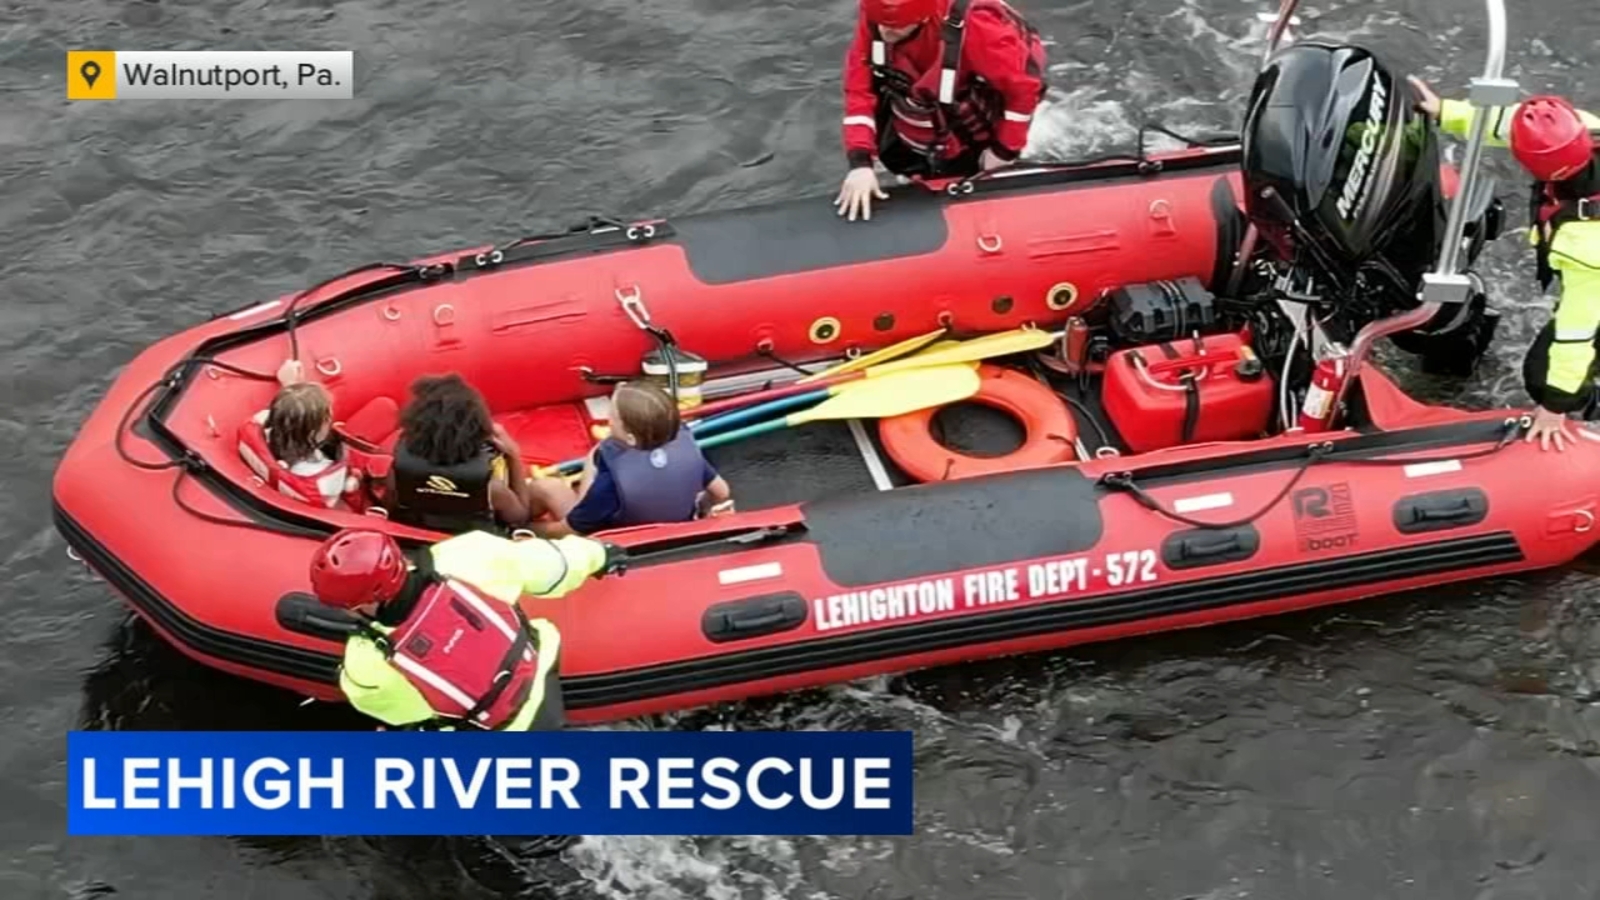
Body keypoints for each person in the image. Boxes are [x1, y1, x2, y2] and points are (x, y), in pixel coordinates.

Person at [1410, 78, 1600, 452]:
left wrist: (1554, 406)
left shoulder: (1587, 247)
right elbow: (1511, 123)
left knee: (1542, 375)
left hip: (1591, 288)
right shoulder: (1585, 131)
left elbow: (1578, 331)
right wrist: (1448, 112)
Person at [306, 526, 627, 730]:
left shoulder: (367, 663)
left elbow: (404, 713)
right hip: (540, 675)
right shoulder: (468, 556)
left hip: (498, 729)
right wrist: (599, 556)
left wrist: (344, 676)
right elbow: (551, 566)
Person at [835, 0, 1047, 222]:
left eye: (897, 27)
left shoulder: (977, 28)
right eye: (879, 24)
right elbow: (858, 90)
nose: (885, 33)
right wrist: (860, 163)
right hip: (917, 119)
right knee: (898, 156)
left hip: (969, 130)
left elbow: (1023, 90)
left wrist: (1003, 151)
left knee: (971, 172)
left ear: (924, 18)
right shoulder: (876, 15)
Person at [379, 373, 576, 532]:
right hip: (481, 540)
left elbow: (392, 508)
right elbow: (519, 519)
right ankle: (582, 536)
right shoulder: (493, 489)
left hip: (426, 535)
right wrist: (513, 455)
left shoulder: (397, 473)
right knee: (551, 488)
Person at [560, 382, 734, 536]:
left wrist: (536, 529)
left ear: (630, 438)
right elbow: (722, 492)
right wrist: (704, 511)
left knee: (547, 489)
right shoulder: (684, 447)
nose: (609, 421)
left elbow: (572, 530)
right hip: (679, 528)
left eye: (611, 416)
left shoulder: (610, 483)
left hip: (627, 538)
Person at [237, 359, 368, 510]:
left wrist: (292, 387)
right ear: (314, 433)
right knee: (384, 407)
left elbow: (289, 415)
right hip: (333, 497)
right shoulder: (323, 475)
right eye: (327, 418)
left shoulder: (263, 426)